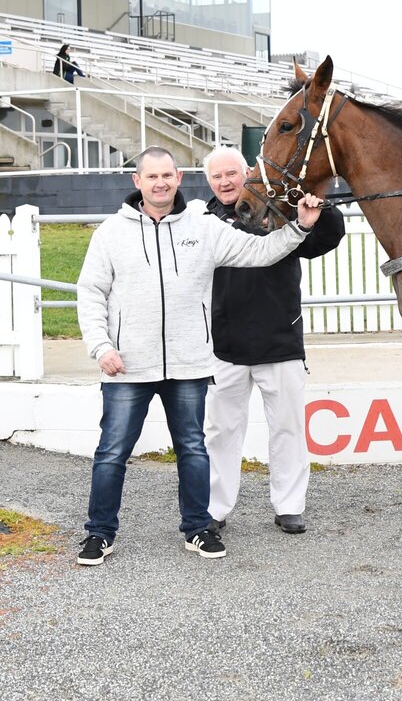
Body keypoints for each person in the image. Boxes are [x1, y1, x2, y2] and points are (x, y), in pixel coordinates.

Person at [75, 146, 324, 566]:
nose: (160, 183)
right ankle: (99, 534)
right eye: (151, 177)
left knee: (193, 448)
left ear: (178, 178)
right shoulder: (110, 233)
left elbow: (258, 252)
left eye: (167, 176)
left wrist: (300, 226)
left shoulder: (203, 227)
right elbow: (91, 293)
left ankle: (198, 528)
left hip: (189, 365)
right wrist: (101, 347)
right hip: (127, 365)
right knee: (112, 452)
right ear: (137, 182)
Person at [202, 146, 345, 536]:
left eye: (232, 173)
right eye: (217, 176)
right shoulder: (200, 222)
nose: (226, 181)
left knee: (288, 428)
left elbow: (323, 240)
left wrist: (322, 208)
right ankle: (214, 508)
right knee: (220, 432)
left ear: (247, 171)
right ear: (209, 182)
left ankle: (289, 506)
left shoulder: (280, 210)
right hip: (223, 345)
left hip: (280, 339)